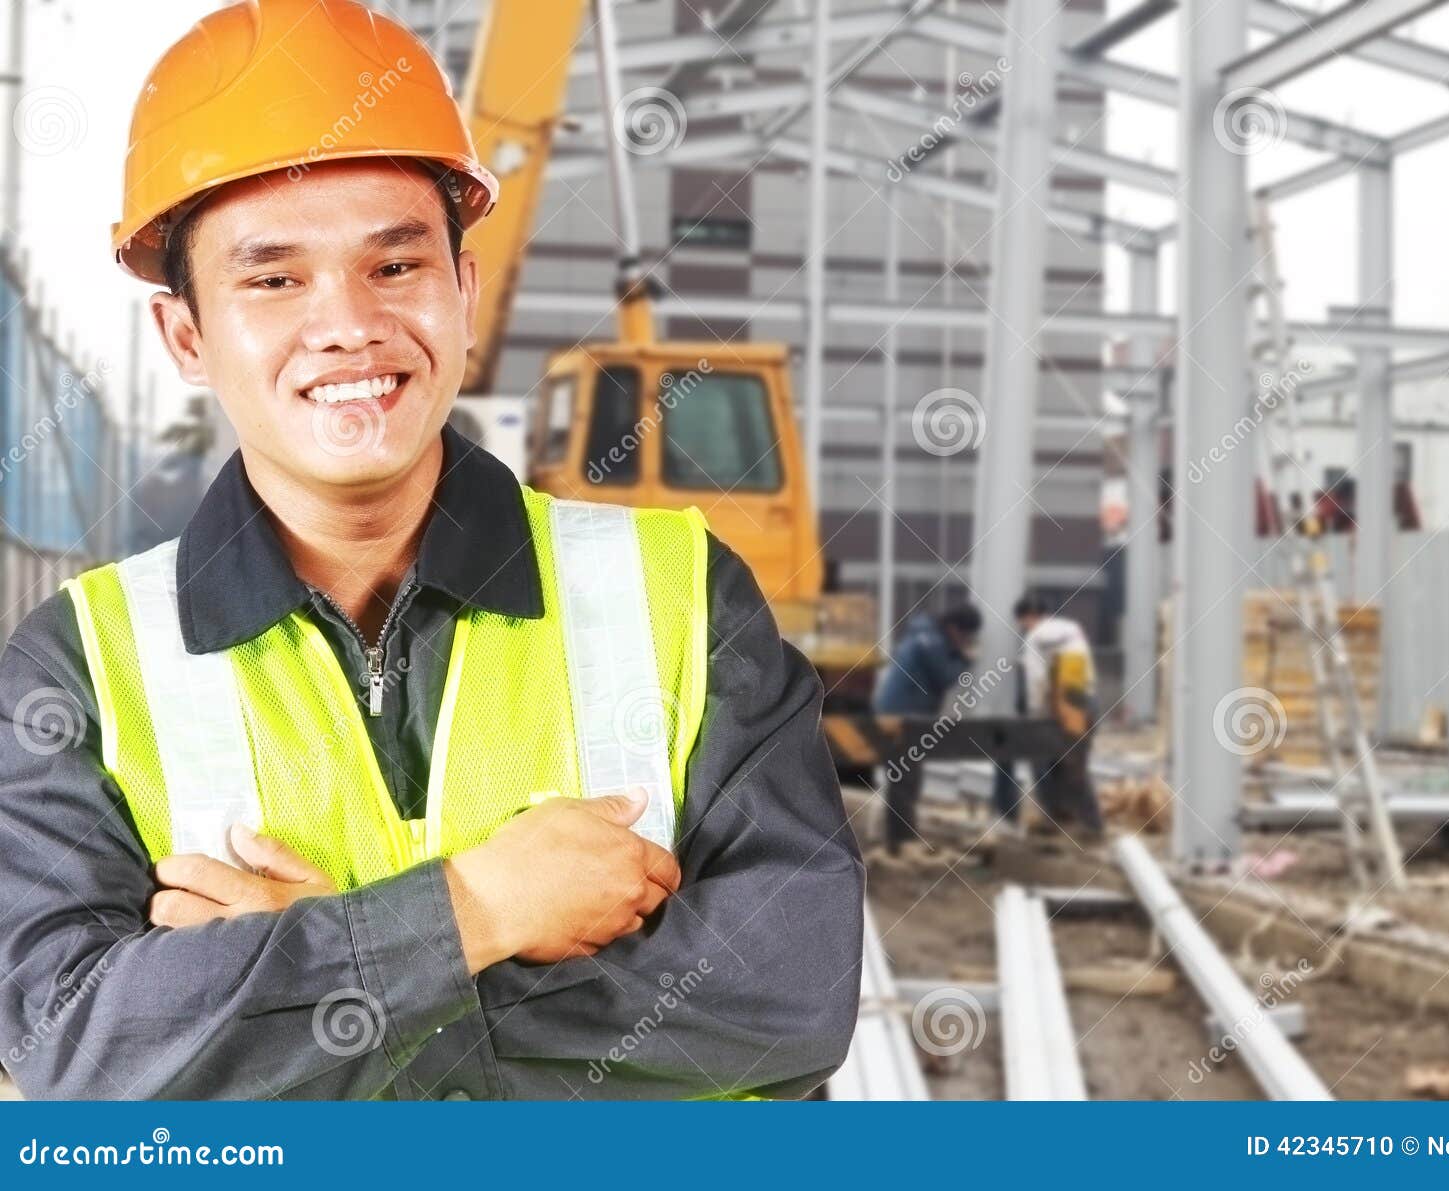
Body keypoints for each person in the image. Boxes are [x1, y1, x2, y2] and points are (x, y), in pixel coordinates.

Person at [0, 0, 862, 1101]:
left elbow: (788, 995)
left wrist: (311, 991)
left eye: (395, 267)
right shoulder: (80, 665)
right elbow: (79, 1050)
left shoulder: (680, 596)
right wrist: (477, 911)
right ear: (188, 337)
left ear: (463, 291)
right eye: (273, 279)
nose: (350, 324)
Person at [868, 603, 981, 864]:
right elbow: (944, 676)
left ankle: (896, 838)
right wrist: (966, 658)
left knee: (904, 778)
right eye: (965, 636)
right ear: (953, 628)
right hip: (901, 717)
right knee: (905, 780)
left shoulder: (926, 635)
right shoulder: (930, 641)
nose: (965, 641)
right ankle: (902, 842)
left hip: (901, 714)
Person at [992, 594, 1104, 839]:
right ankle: (1084, 822)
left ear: (1027, 617)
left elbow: (1037, 681)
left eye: (1022, 622)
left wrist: (1036, 716)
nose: (1022, 627)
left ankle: (1061, 821)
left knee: (1042, 760)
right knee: (1075, 764)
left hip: (1062, 708)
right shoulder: (1072, 629)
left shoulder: (1035, 638)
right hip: (1087, 703)